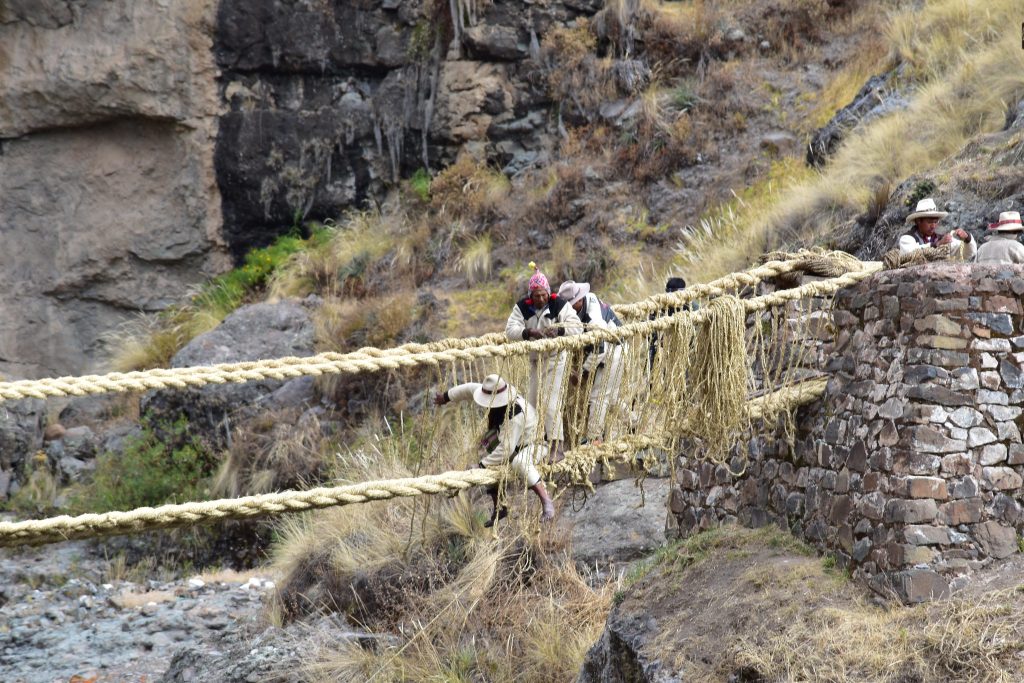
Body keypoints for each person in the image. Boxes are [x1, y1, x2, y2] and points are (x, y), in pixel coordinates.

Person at [434, 374, 555, 525]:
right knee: (489, 446)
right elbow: (468, 389)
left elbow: (505, 450)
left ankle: (546, 501)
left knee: (518, 463)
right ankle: (499, 507)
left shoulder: (515, 414)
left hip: (535, 445)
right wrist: (445, 397)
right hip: (514, 444)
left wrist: (481, 465)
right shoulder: (490, 390)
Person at [505, 263, 583, 453]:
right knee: (530, 404)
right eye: (536, 296)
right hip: (535, 362)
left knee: (551, 402)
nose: (541, 299)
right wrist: (528, 332)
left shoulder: (559, 305)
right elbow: (510, 331)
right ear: (530, 296)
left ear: (549, 292)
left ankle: (557, 446)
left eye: (543, 295)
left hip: (556, 359)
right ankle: (529, 443)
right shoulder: (522, 308)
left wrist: (559, 330)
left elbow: (578, 327)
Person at [557, 280, 624, 443]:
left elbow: (600, 349)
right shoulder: (578, 307)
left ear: (579, 300)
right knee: (611, 399)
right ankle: (635, 422)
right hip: (604, 350)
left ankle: (595, 439)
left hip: (613, 349)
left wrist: (583, 373)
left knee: (599, 396)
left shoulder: (594, 319)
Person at [899, 198, 977, 258]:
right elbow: (910, 254)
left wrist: (967, 238)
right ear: (918, 221)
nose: (933, 226)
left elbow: (969, 254)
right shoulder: (906, 239)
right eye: (929, 222)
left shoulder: (942, 238)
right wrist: (937, 245)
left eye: (936, 222)